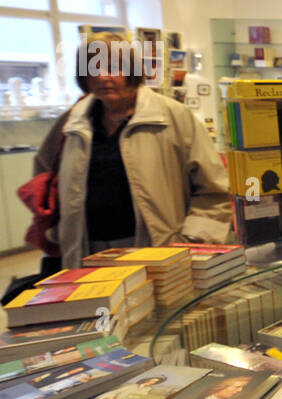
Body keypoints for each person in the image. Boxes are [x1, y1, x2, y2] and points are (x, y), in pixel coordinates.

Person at [54, 31, 232, 268]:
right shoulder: (74, 120)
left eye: (113, 66)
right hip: (86, 254)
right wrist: (60, 235)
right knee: (99, 306)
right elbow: (47, 175)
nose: (102, 76)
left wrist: (191, 243)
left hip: (158, 252)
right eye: (92, 67)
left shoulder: (173, 117)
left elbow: (214, 190)